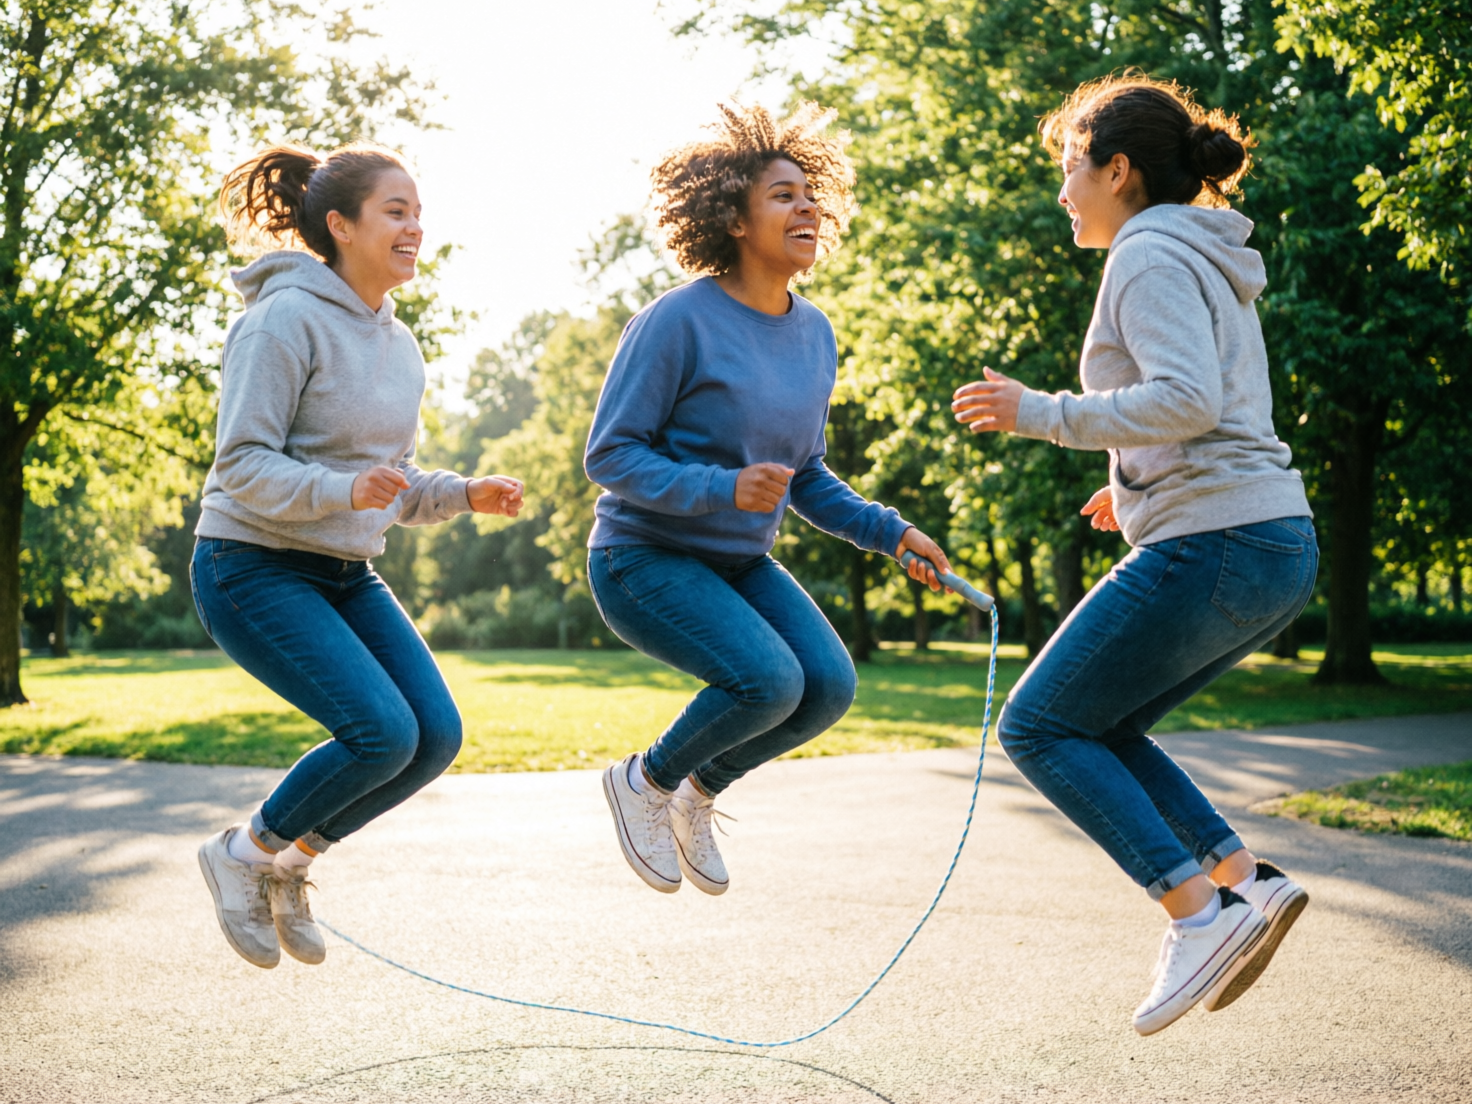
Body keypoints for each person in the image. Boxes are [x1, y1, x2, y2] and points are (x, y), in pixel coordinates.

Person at [951, 75, 1317, 1035]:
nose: (1065, 192)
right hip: (1268, 538)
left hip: (1222, 540)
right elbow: (1213, 408)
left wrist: (1041, 414)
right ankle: (1246, 882)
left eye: (1073, 169)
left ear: (1118, 169)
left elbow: (1187, 399)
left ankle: (1198, 917)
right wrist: (1132, 485)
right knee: (1102, 724)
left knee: (1037, 727)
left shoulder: (1149, 251)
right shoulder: (1198, 251)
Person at [585, 102, 954, 897]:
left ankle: (694, 793)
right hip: (642, 556)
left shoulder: (814, 332)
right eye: (784, 195)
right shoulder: (677, 320)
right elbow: (609, 455)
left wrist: (893, 535)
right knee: (768, 680)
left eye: (809, 195)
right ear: (734, 219)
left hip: (738, 561)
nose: (807, 207)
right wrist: (723, 486)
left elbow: (806, 475)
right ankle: (644, 783)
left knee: (827, 685)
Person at [192, 144, 525, 969]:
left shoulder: (401, 345)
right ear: (340, 226)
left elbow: (395, 483)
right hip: (250, 563)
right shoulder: (280, 320)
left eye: (418, 213)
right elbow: (239, 464)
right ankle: (239, 853)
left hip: (344, 571)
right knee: (378, 730)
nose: (415, 228)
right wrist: (344, 491)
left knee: (434, 735)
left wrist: (461, 493)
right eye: (396, 212)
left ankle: (290, 865)